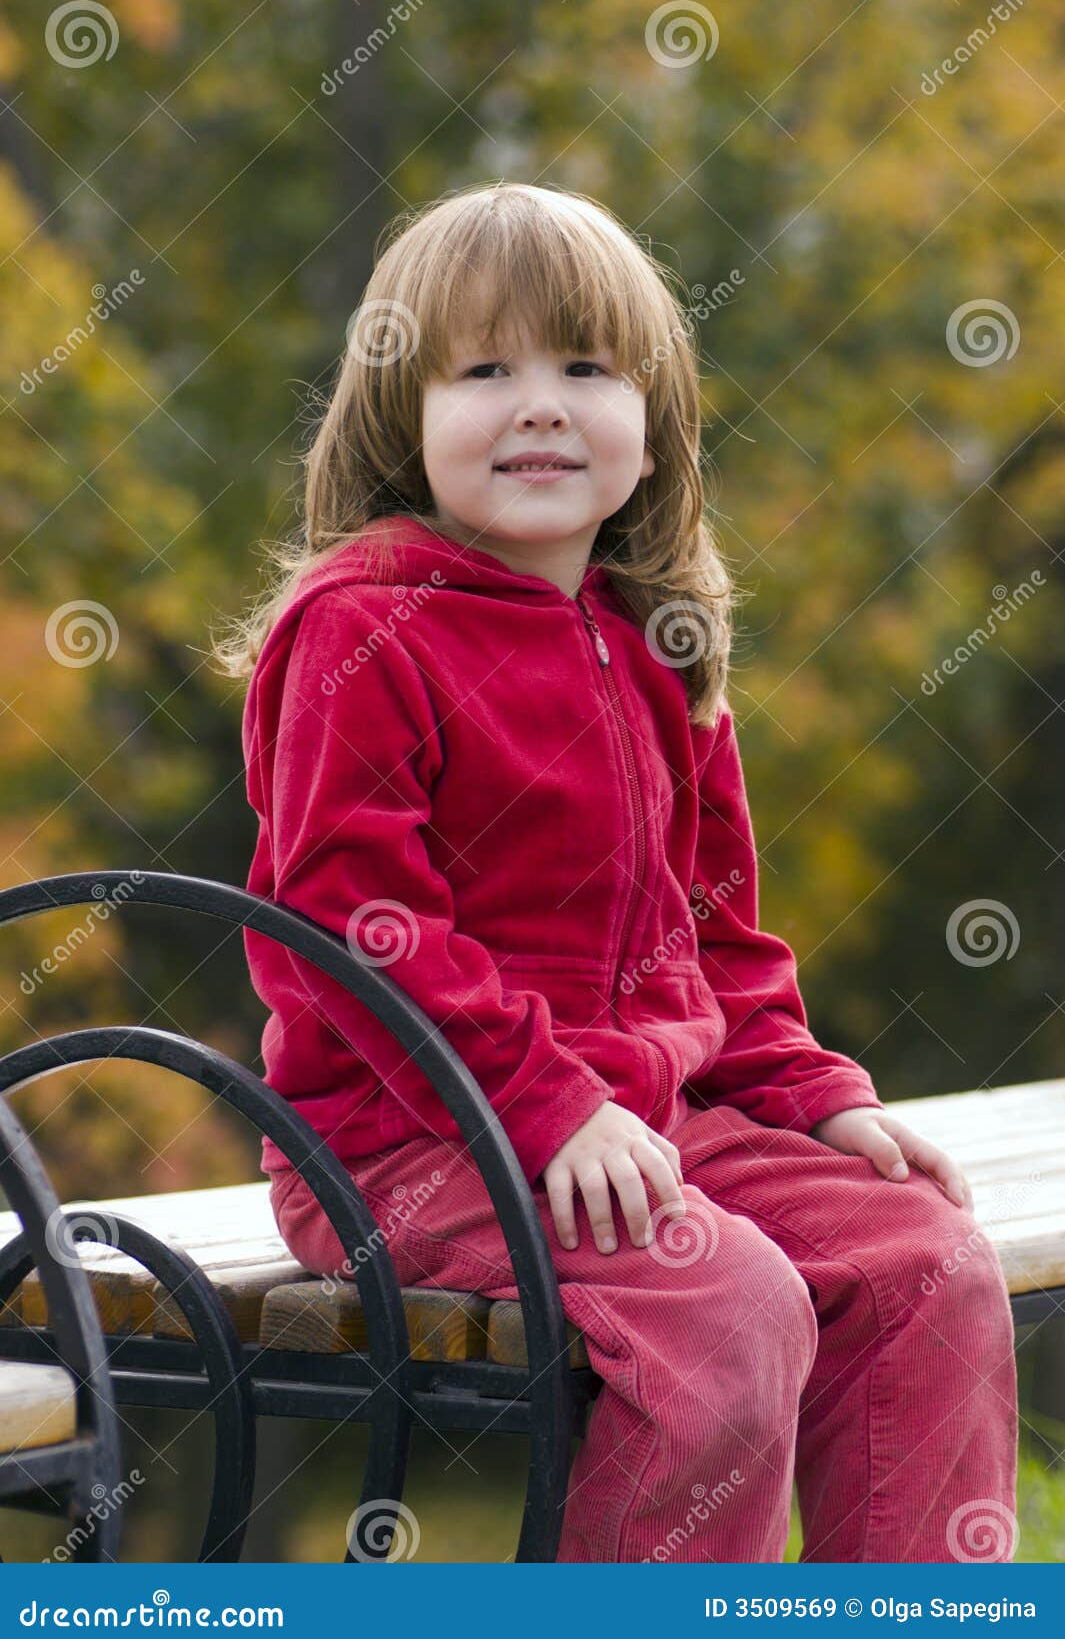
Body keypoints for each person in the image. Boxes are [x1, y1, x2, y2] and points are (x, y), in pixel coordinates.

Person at [213, 182, 1018, 1564]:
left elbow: (718, 936)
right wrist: (543, 1104)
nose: (540, 403)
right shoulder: (362, 630)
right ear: (400, 420)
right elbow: (356, 924)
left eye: (584, 367)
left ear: (652, 429)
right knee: (735, 1313)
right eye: (485, 370)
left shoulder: (656, 639)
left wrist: (809, 1094)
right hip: (416, 1140)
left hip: (647, 1115)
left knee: (926, 1262)